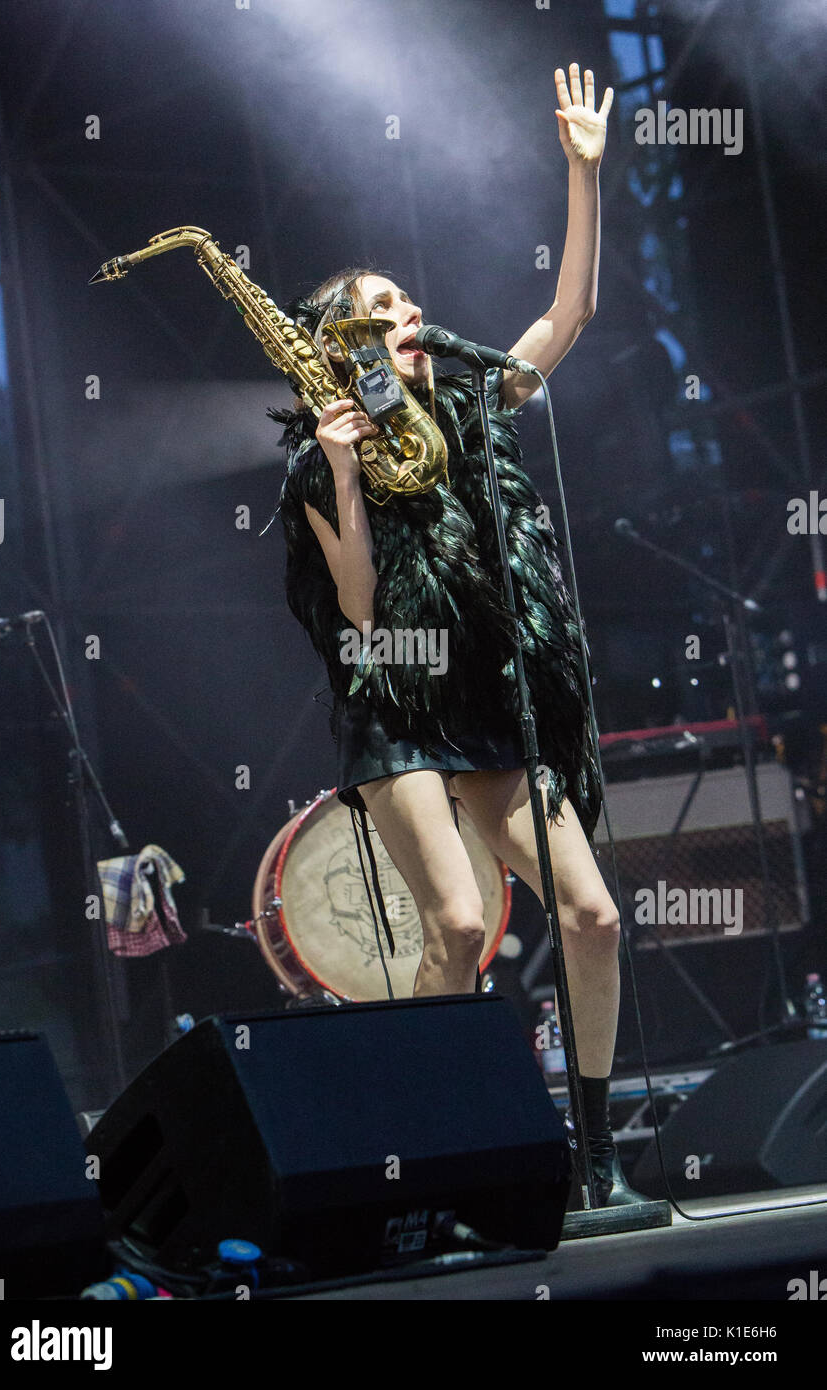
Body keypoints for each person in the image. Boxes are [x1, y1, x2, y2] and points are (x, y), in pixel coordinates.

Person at [270, 65, 644, 1207]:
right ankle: (435, 1146)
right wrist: (338, 469)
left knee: (588, 913)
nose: (406, 316)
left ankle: (591, 1155)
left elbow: (566, 315)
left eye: (404, 301)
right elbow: (366, 615)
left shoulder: (473, 410)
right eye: (377, 313)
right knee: (463, 922)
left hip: (489, 699)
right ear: (343, 349)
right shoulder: (312, 468)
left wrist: (583, 171)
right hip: (397, 708)